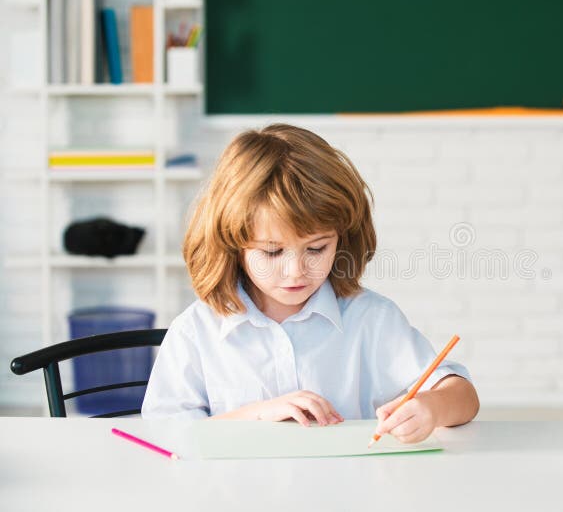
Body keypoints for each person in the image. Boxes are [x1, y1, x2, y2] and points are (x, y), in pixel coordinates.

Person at [142, 124, 479, 443]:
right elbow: (164, 434)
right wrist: (256, 415)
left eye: (316, 249)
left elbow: (462, 396)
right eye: (272, 252)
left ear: (342, 240)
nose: (295, 271)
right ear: (232, 244)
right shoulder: (196, 331)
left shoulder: (369, 318)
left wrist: (431, 408)